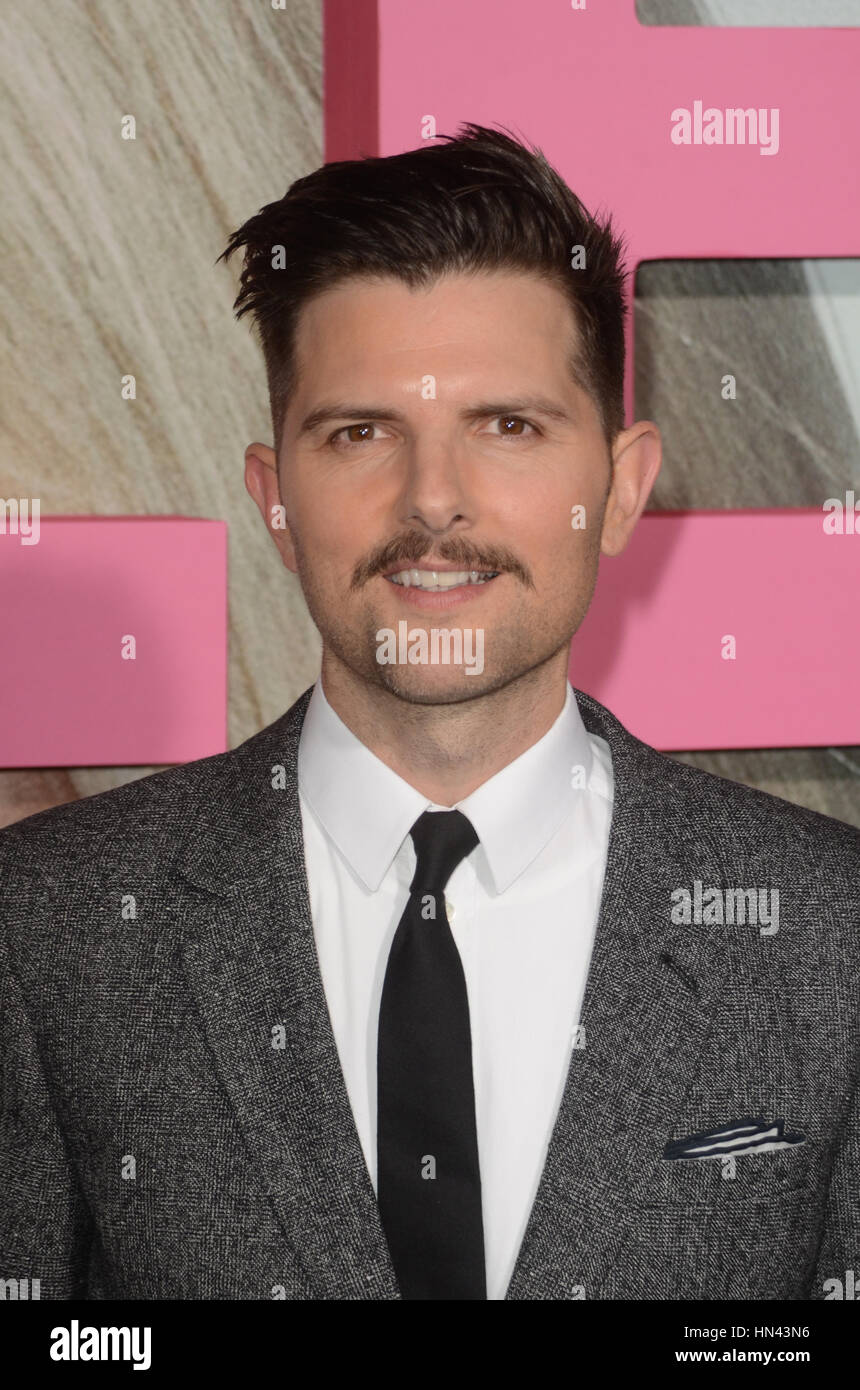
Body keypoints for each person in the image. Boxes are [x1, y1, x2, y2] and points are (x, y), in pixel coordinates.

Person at [1, 123, 857, 1301]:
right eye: (360, 433)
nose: (433, 500)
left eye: (506, 426)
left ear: (617, 489)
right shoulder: (48, 928)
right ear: (276, 499)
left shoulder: (829, 933)